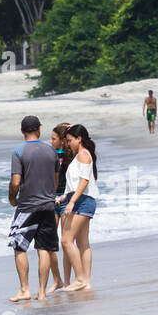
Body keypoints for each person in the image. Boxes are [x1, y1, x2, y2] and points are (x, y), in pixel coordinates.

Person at [7, 115, 59, 302]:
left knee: (19, 247)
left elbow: (16, 181)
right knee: (43, 248)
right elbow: (55, 180)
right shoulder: (51, 151)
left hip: (27, 206)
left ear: (22, 131)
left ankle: (25, 289)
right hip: (47, 205)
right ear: (39, 129)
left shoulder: (18, 152)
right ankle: (43, 292)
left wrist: (13, 198)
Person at [57, 123, 98, 292]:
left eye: (70, 140)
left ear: (79, 138)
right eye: (66, 140)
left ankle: (80, 278)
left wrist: (72, 201)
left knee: (66, 240)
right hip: (82, 199)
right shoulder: (79, 155)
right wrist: (64, 196)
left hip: (83, 201)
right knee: (83, 243)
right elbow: (75, 183)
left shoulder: (82, 154)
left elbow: (84, 181)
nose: (68, 143)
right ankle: (86, 282)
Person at [46, 123, 73, 293]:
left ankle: (68, 281)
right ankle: (57, 280)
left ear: (63, 140)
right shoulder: (49, 154)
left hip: (66, 199)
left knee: (66, 243)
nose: (51, 141)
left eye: (54, 138)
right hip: (50, 200)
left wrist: (72, 128)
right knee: (49, 243)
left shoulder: (73, 154)